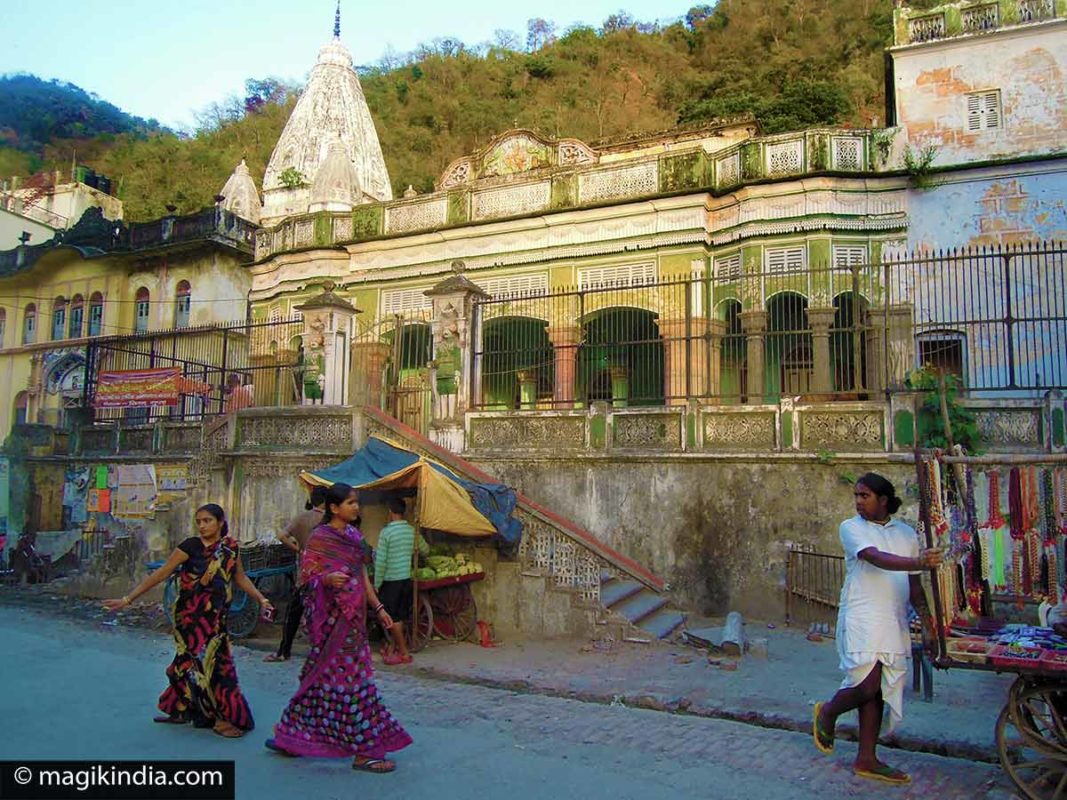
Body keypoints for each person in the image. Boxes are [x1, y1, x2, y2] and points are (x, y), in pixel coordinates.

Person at [266, 483, 412, 773]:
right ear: (334, 508)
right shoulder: (320, 538)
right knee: (344, 684)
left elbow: (362, 575)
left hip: (353, 620)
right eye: (350, 503)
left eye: (356, 502)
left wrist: (379, 608)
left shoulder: (354, 537)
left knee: (327, 681)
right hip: (330, 624)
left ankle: (292, 737)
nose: (357, 507)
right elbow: (307, 577)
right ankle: (362, 753)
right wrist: (326, 580)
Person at [812, 473, 943, 785]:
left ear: (883, 500)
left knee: (880, 689)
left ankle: (866, 758)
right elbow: (874, 557)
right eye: (856, 495)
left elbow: (915, 588)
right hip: (863, 616)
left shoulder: (906, 534)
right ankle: (828, 712)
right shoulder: (851, 527)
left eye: (865, 495)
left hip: (893, 618)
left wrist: (928, 625)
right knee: (866, 685)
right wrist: (918, 562)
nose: (858, 501)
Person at [104, 504, 271, 738]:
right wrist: (127, 599)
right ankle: (201, 713)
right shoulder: (190, 546)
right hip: (190, 618)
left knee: (212, 665)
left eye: (207, 520)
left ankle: (205, 713)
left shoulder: (230, 549)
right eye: (198, 521)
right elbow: (162, 573)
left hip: (215, 619)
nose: (202, 526)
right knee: (195, 662)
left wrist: (261, 599)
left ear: (220, 522)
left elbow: (240, 578)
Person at [264, 486, 327, 663]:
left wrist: (298, 549)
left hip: (305, 572)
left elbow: (282, 535)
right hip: (326, 572)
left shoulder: (301, 518)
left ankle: (284, 651)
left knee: (294, 612)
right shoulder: (329, 519)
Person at [374, 496, 428, 665]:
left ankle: (404, 653)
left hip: (391, 580)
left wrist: (376, 583)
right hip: (406, 579)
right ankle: (392, 647)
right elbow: (425, 550)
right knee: (400, 616)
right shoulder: (412, 531)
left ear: (390, 512)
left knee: (392, 617)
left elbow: (381, 561)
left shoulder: (386, 532)